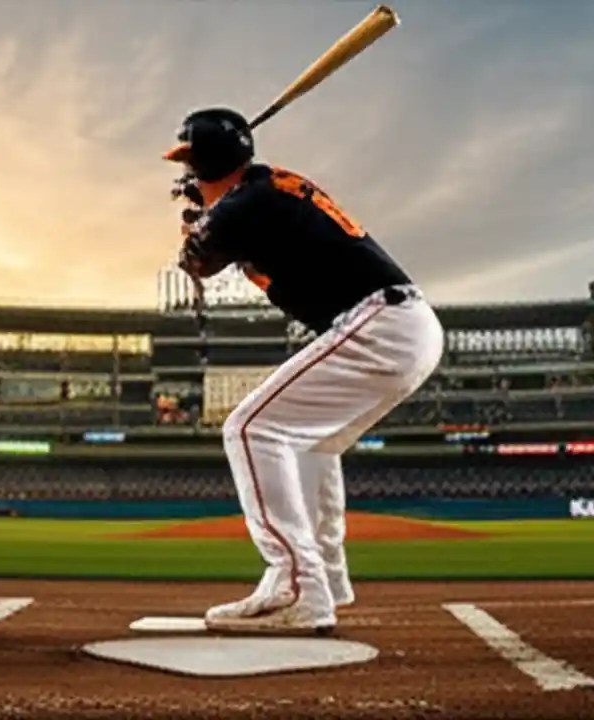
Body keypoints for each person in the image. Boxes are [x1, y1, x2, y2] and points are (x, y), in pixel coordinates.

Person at [164, 108, 444, 633]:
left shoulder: (246, 201)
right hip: (405, 326)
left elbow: (199, 261)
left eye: (190, 167)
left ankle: (297, 586)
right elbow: (220, 241)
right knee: (311, 444)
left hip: (380, 325)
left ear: (207, 165)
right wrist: (205, 218)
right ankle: (325, 581)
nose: (186, 178)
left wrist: (196, 227)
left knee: (249, 428)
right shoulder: (262, 192)